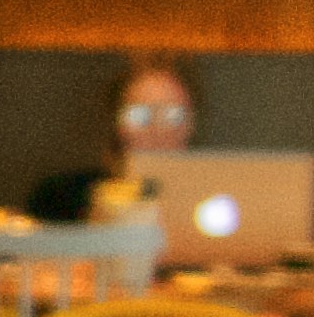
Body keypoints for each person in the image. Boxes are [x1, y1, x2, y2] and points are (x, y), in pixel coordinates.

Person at [18, 54, 194, 220]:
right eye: (139, 116)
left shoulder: (211, 201)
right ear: (116, 124)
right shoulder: (58, 198)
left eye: (174, 117)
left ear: (191, 125)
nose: (157, 131)